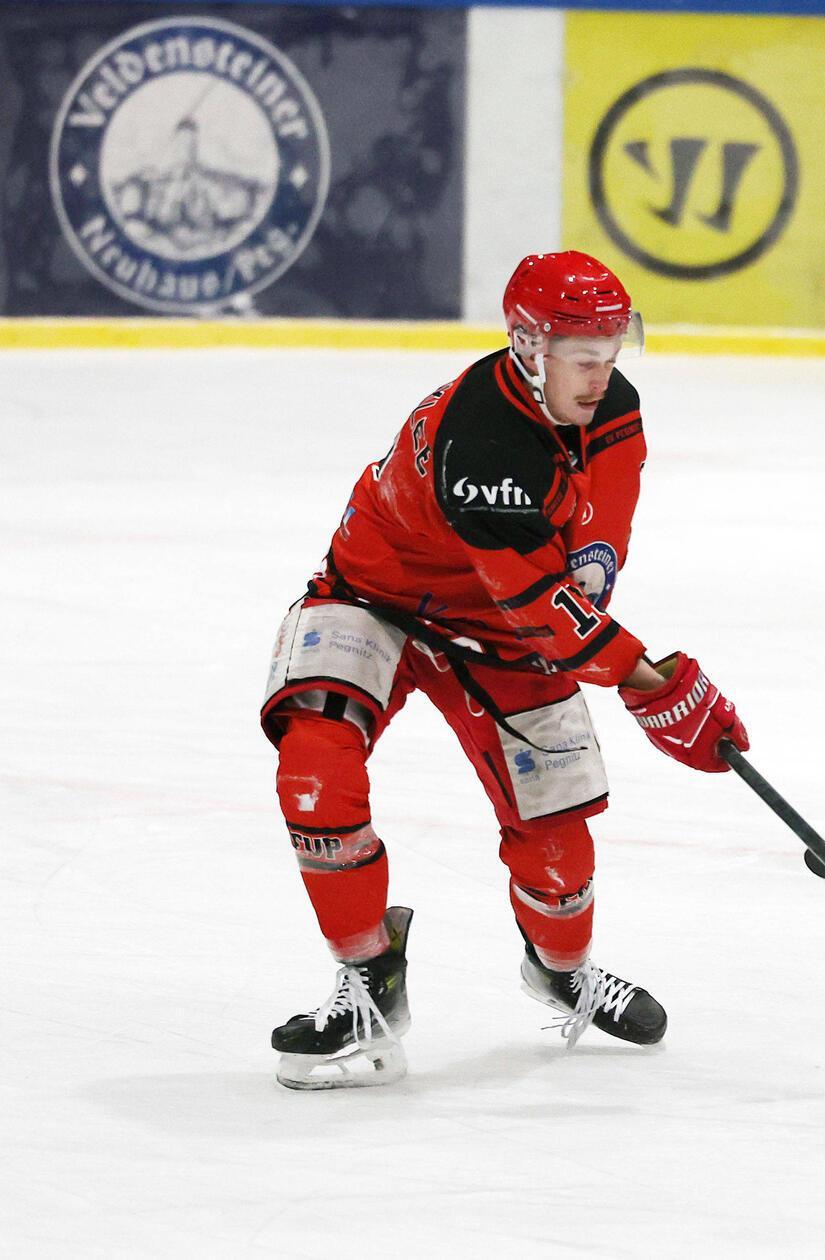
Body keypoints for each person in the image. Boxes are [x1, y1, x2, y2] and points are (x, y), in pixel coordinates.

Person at [258, 251, 749, 1089]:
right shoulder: (480, 438)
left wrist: (646, 672)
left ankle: (561, 968)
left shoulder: (614, 415)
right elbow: (537, 602)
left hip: (502, 627)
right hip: (376, 595)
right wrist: (651, 681)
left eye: (612, 351)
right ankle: (369, 985)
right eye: (582, 356)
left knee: (559, 852)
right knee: (314, 769)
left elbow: (586, 568)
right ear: (527, 345)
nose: (602, 375)